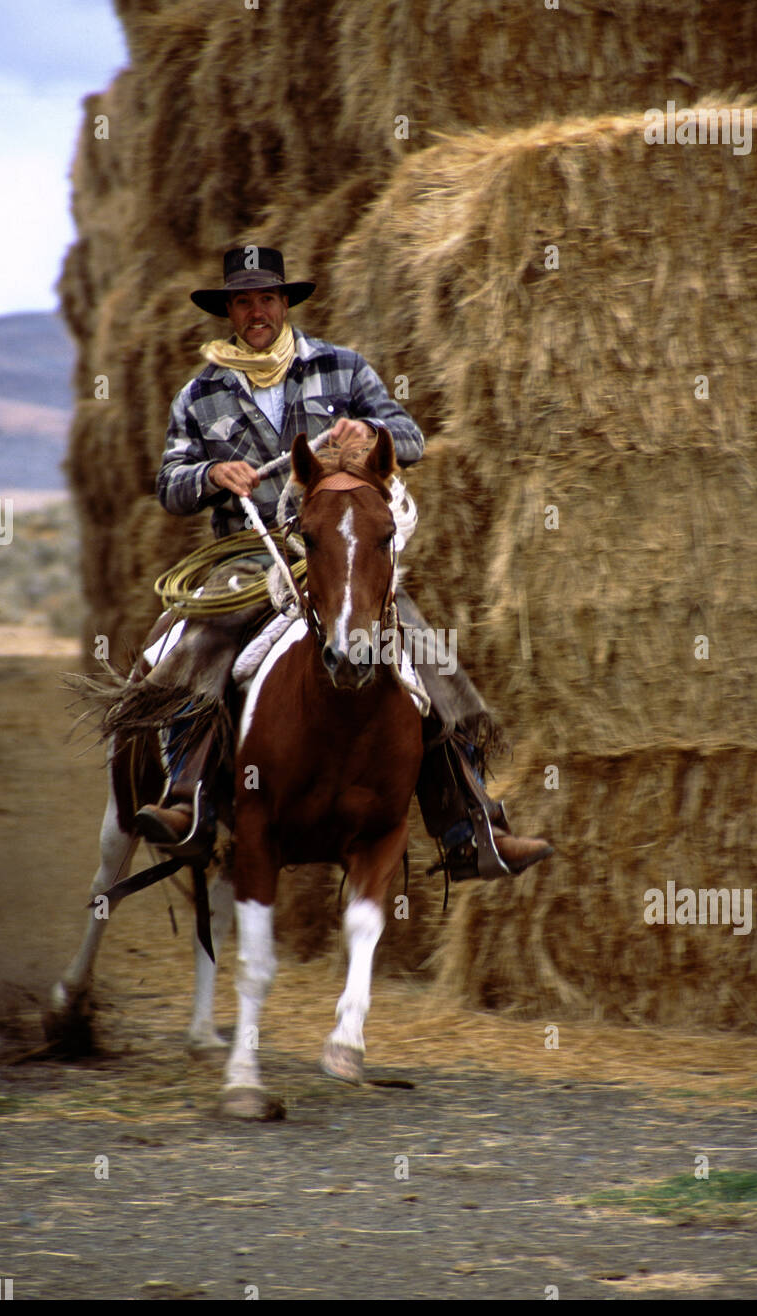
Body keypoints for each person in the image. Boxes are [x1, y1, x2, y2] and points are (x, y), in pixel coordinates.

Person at [132, 245, 550, 881]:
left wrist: (367, 433)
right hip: (250, 551)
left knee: (428, 655)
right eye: (242, 301)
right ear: (229, 313)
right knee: (200, 643)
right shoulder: (200, 393)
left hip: (342, 547)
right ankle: (186, 801)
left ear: (285, 304)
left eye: (267, 298)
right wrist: (212, 472)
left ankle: (473, 825)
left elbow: (409, 438)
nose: (256, 312)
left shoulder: (343, 367)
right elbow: (169, 482)